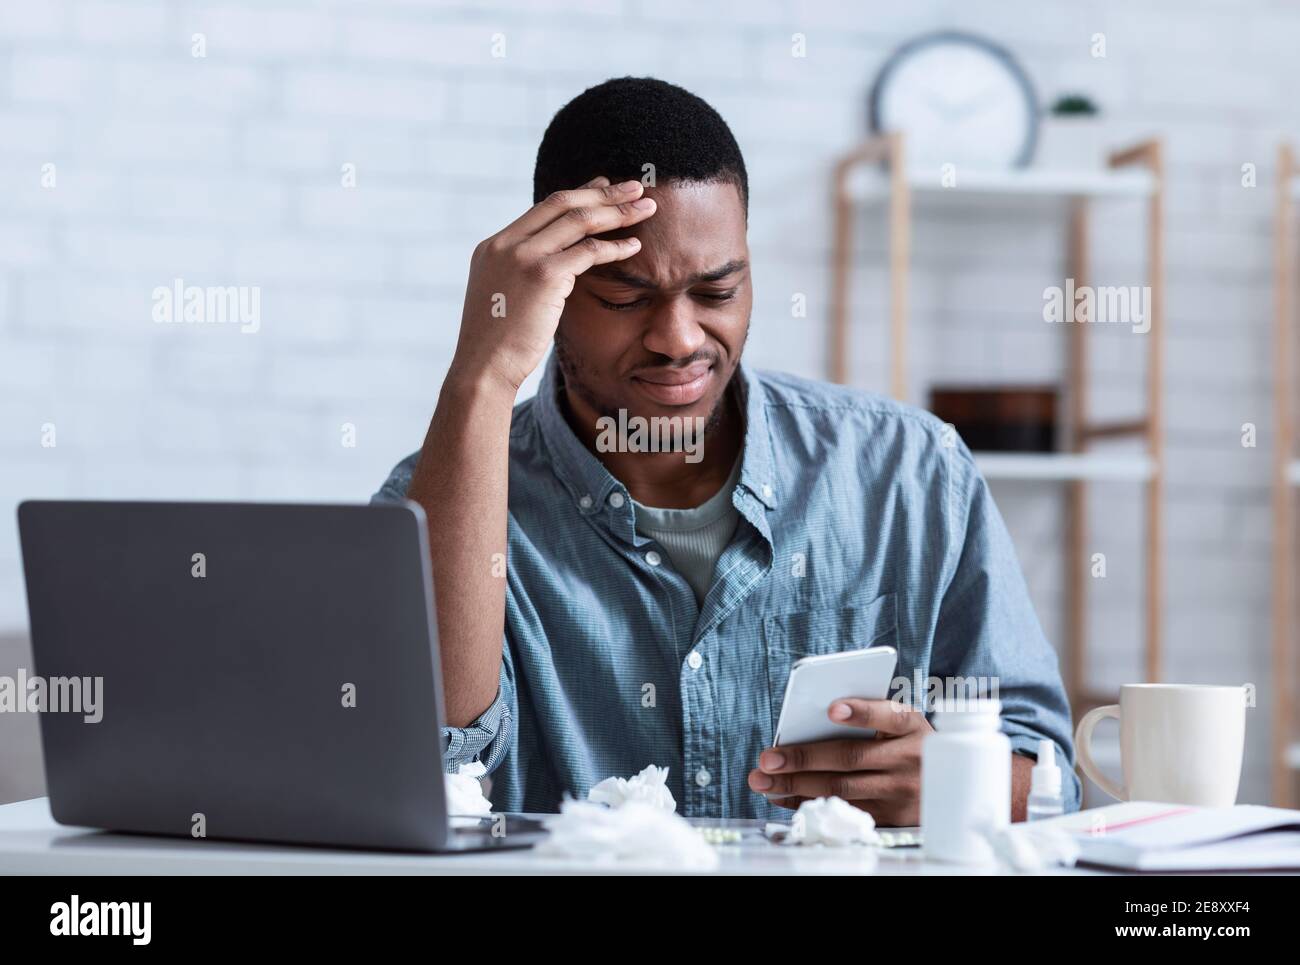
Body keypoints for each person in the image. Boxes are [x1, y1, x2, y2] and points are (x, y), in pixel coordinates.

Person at [373, 76, 1079, 822]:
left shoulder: (911, 471)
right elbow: (420, 769)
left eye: (717, 293)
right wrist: (481, 378)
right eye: (624, 297)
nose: (680, 341)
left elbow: (1052, 775)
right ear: (549, 292)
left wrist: (963, 783)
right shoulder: (438, 502)